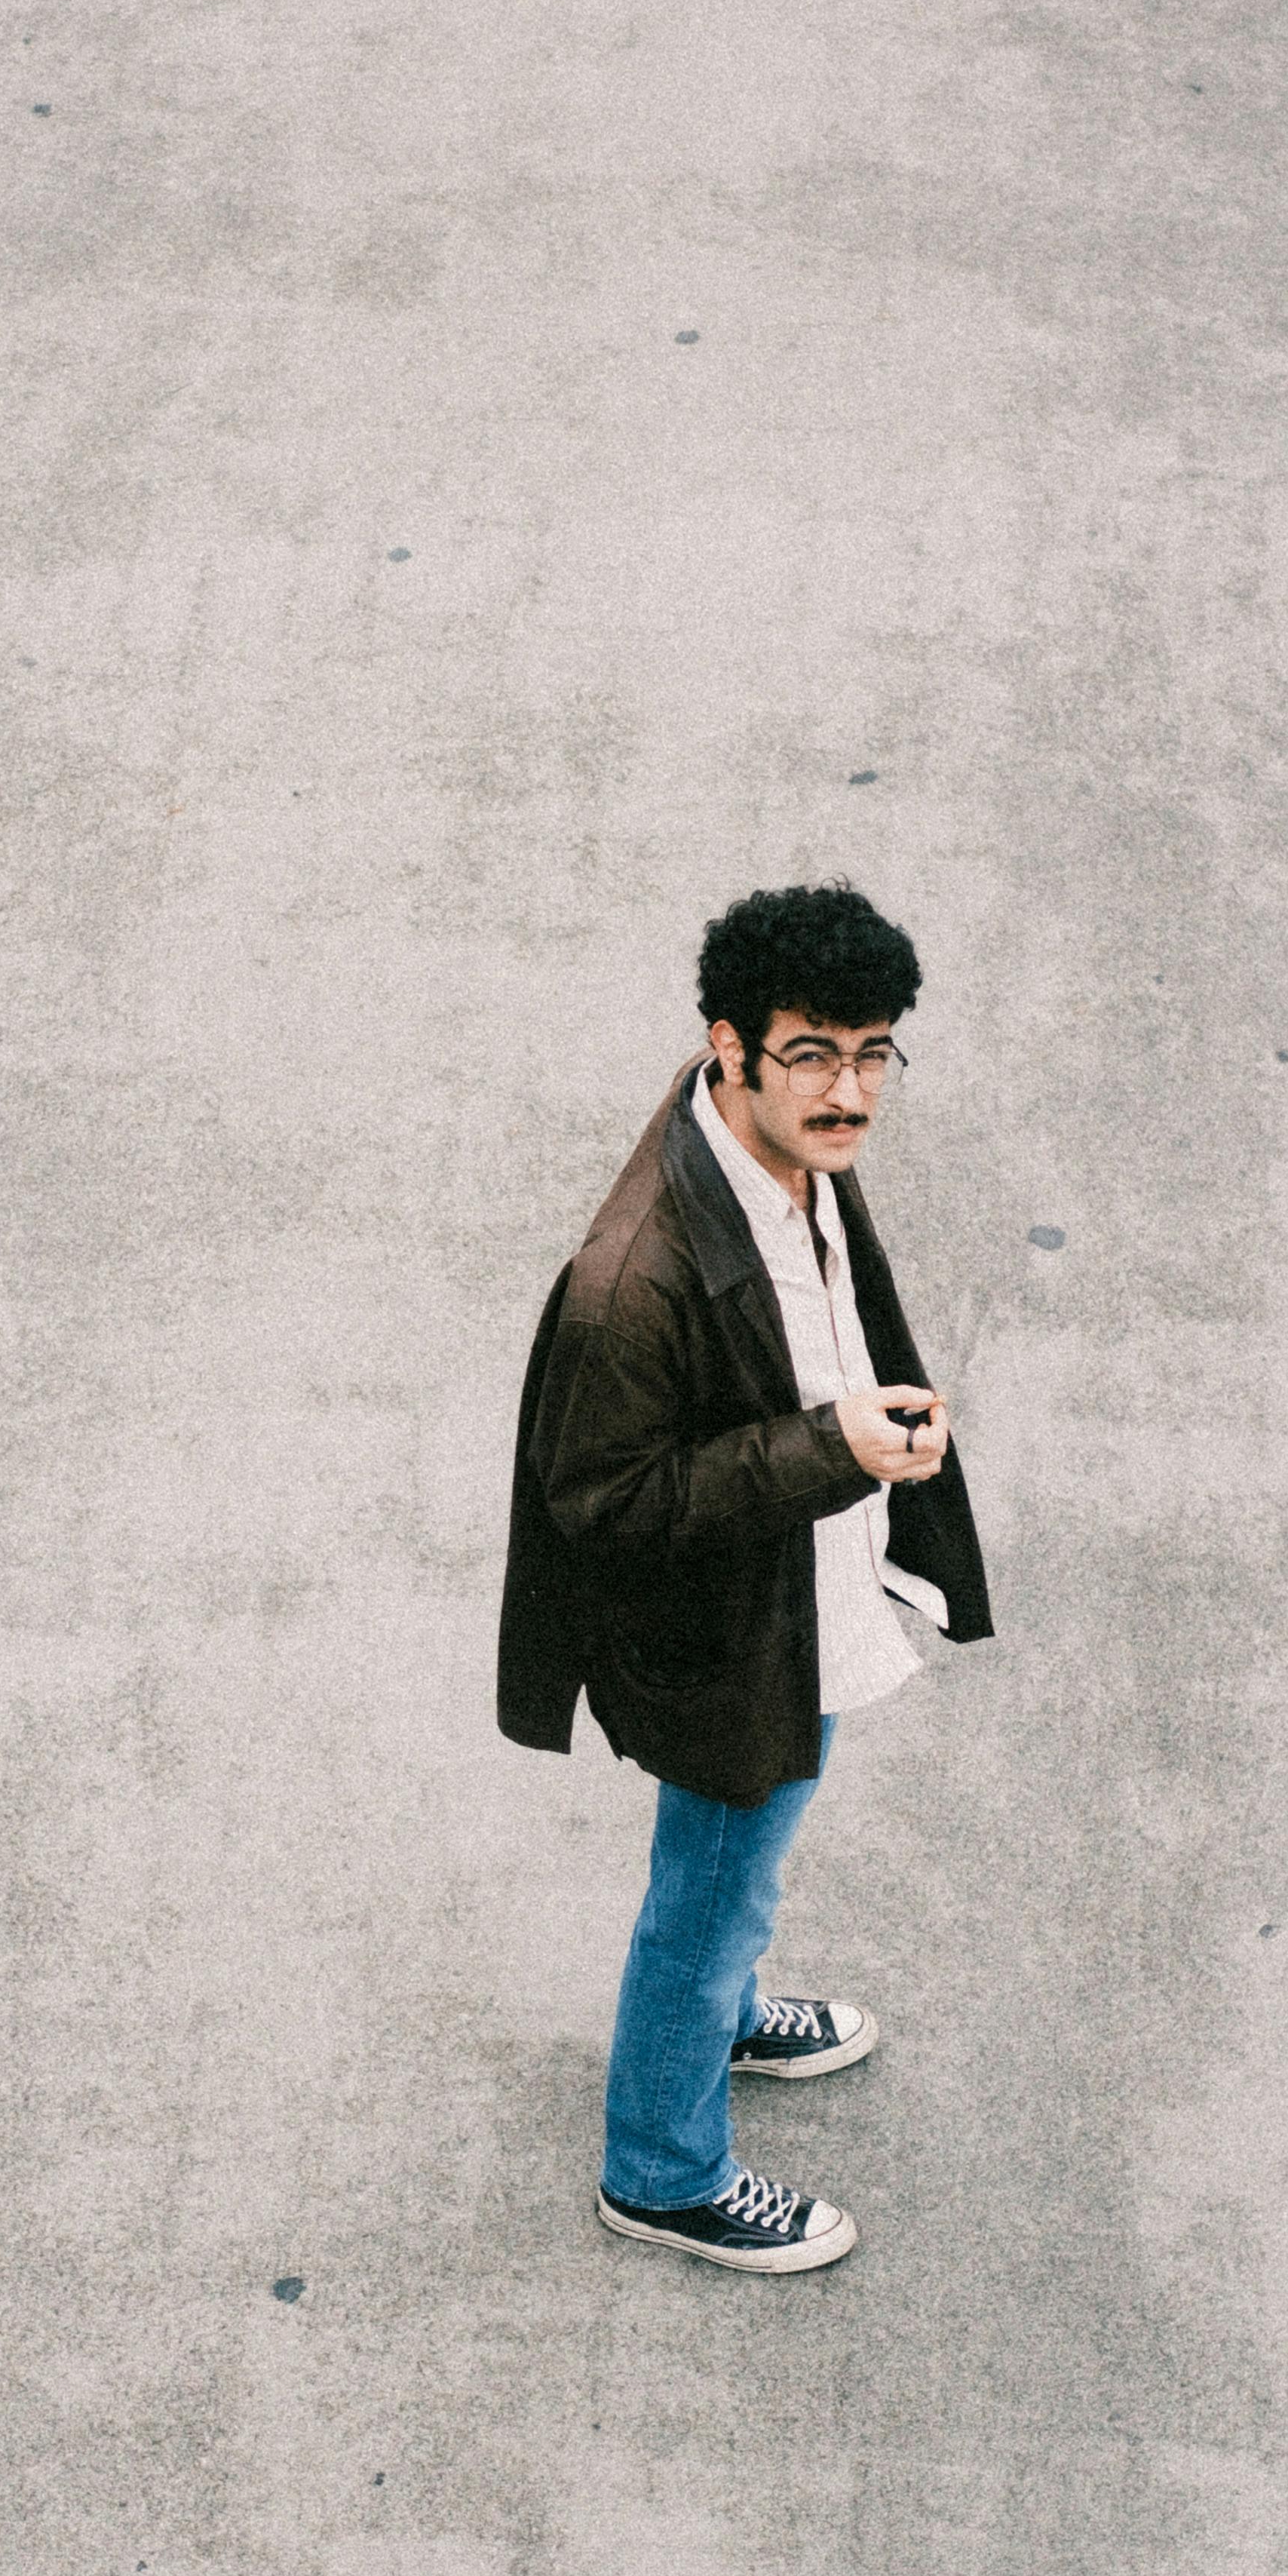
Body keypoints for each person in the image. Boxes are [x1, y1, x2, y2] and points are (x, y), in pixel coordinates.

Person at [500, 884, 992, 2271]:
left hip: (790, 1581)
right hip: (726, 1630)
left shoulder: (771, 1148)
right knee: (711, 1897)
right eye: (814, 1055)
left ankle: (718, 2021)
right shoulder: (635, 1282)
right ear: (730, 1047)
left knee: (735, 1883)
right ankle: (661, 2171)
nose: (851, 1094)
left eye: (874, 1053)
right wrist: (826, 1447)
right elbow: (601, 1507)